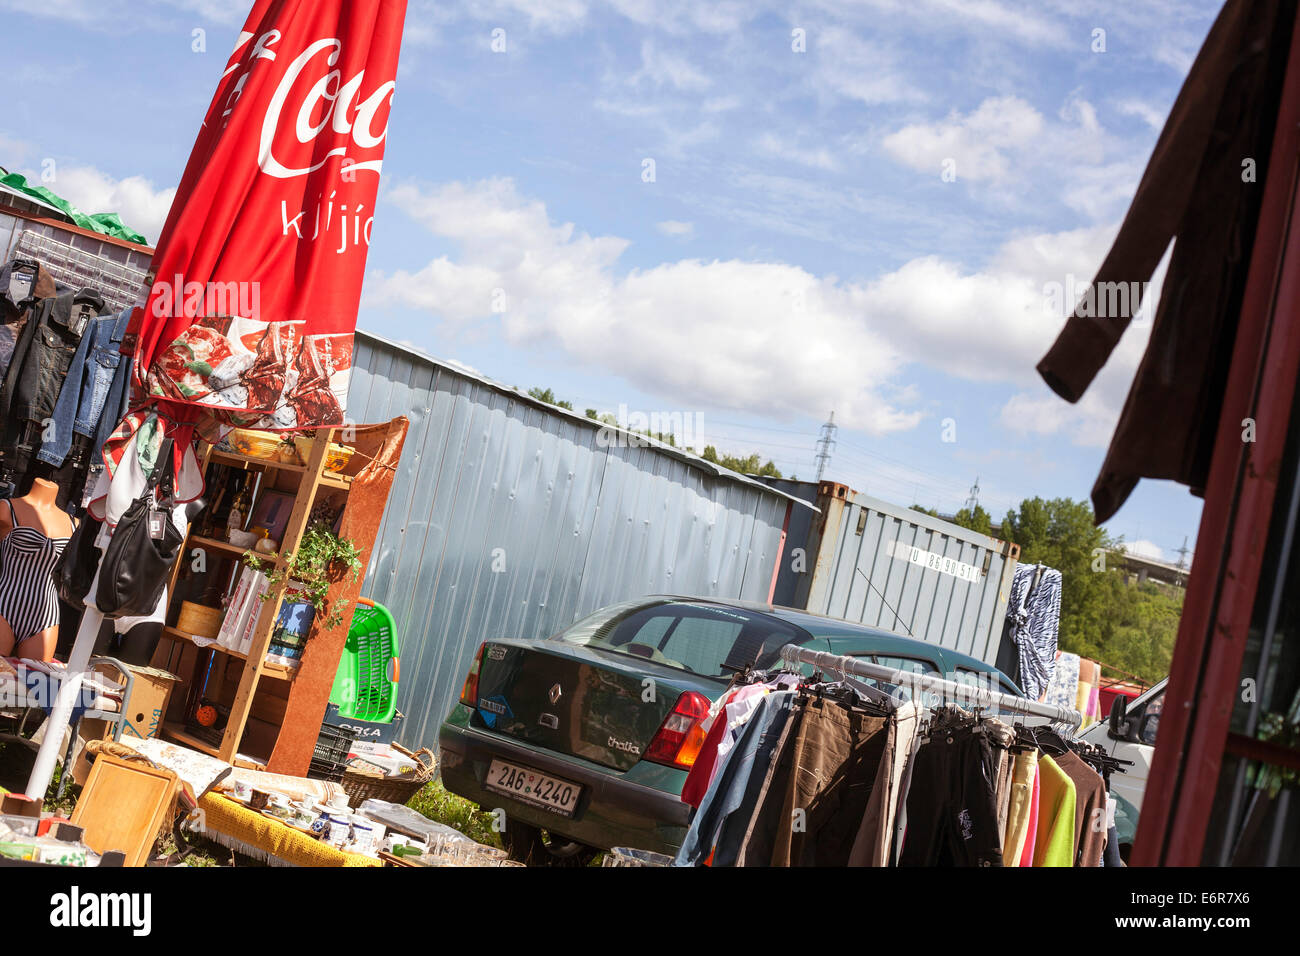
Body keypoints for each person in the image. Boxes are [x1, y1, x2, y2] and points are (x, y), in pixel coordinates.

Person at [0, 477, 77, 660]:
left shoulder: (74, 523)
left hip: (46, 615)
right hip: (4, 604)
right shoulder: (6, 508)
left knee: (35, 682)